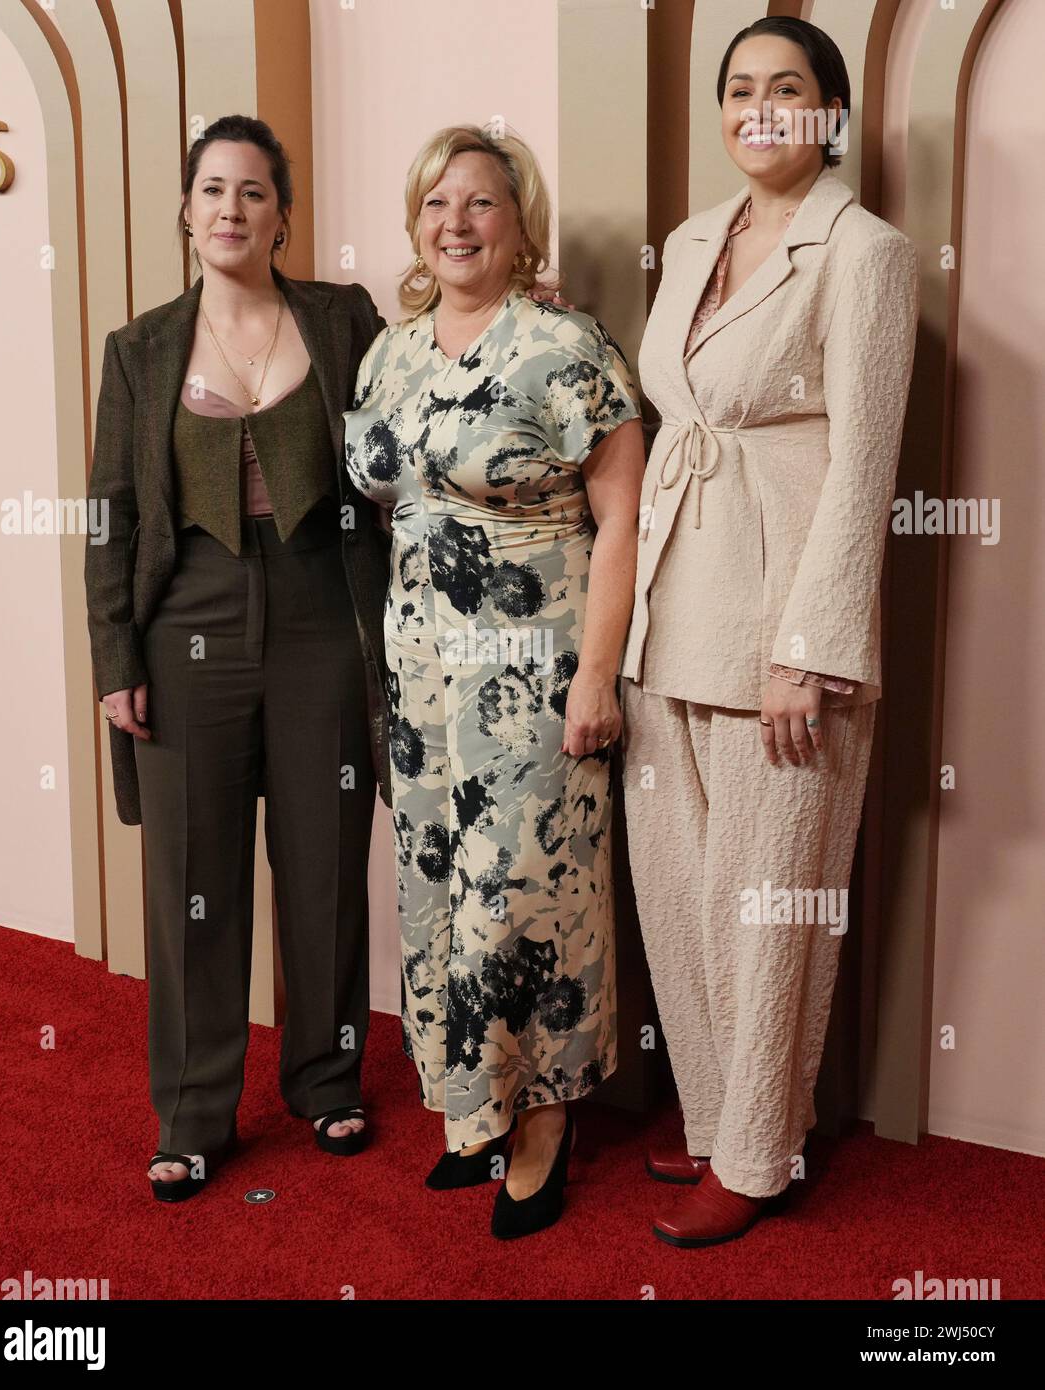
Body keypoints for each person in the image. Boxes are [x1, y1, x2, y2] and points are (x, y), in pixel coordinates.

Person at [620, 17, 919, 1246]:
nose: (757, 108)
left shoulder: (865, 252)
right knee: (683, 892)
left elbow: (862, 466)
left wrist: (816, 645)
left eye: (784, 88)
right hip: (664, 611)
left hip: (779, 628)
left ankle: (755, 1153)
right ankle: (714, 1120)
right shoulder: (694, 240)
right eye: (737, 89)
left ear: (828, 113)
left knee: (768, 901)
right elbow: (672, 398)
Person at [344, 125, 645, 1238]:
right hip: (419, 676)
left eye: (480, 203)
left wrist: (596, 679)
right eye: (436, 203)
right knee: (440, 889)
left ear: (522, 224)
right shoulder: (388, 349)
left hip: (533, 673)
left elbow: (620, 520)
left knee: (528, 894)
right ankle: (477, 1102)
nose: (456, 222)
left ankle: (546, 1118)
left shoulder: (565, 344)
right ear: (415, 222)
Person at [84, 115, 392, 1200]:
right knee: (193, 880)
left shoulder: (344, 318)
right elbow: (111, 518)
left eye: (253, 192)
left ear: (281, 215)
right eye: (211, 188)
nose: (230, 208)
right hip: (184, 631)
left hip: (321, 614)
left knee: (323, 860)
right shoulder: (139, 348)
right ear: (185, 209)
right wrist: (114, 656)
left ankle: (326, 1075)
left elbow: (418, 410)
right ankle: (193, 1111)